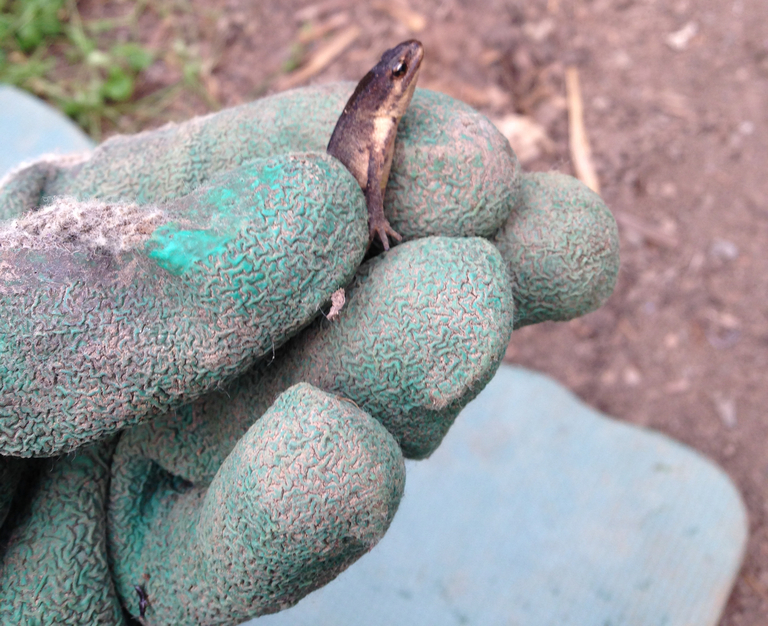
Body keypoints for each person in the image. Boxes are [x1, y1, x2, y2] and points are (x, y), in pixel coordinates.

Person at [0, 83, 618, 625]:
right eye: (400, 75)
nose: (411, 74)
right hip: (319, 248)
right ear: (384, 95)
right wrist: (373, 223)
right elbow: (368, 187)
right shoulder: (369, 131)